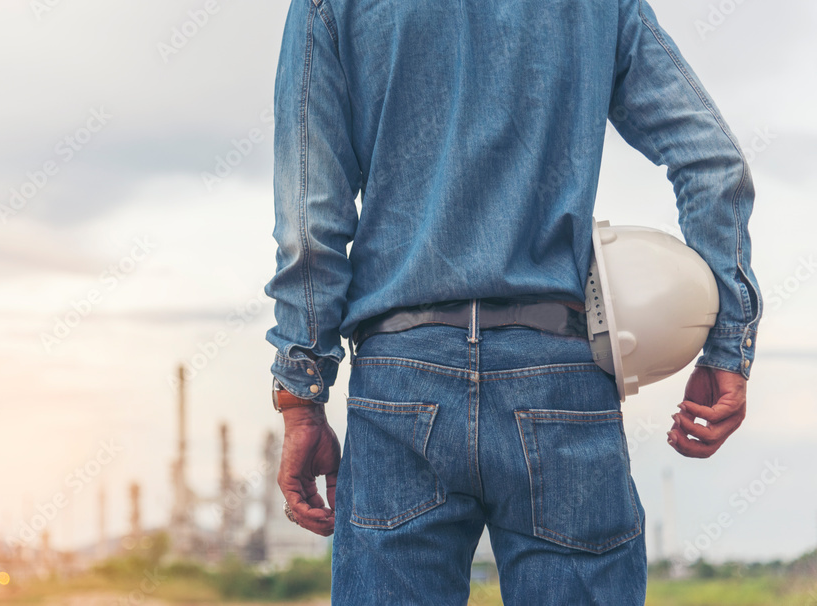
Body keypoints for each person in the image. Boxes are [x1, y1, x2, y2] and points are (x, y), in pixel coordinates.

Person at [263, 0, 761, 603]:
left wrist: (302, 395)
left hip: (400, 383)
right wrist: (727, 346)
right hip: (559, 376)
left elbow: (309, 217)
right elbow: (715, 165)